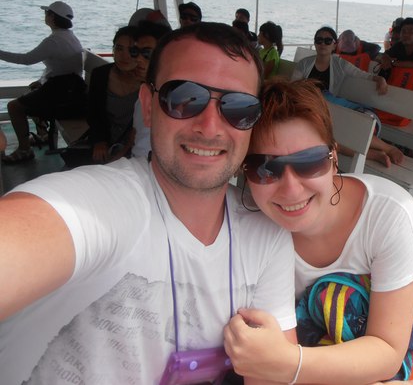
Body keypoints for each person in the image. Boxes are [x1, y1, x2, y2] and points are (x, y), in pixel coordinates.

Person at [0, 22, 296, 384]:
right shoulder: (102, 205)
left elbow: (271, 375)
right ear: (148, 105)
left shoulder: (266, 236)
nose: (210, 126)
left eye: (238, 107)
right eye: (184, 98)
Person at [224, 79, 413, 384]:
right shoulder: (245, 229)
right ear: (245, 173)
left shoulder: (388, 214)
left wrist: (287, 362)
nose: (291, 189)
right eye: (266, 168)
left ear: (333, 159)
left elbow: (387, 350)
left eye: (309, 162)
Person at [292, 26, 404, 167]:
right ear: (314, 43)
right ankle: (374, 155)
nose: (322, 44)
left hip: (331, 109)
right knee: (325, 139)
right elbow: (293, 87)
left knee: (332, 132)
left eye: (327, 41)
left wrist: (379, 79)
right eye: (319, 40)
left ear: (334, 45)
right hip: (314, 110)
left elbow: (361, 74)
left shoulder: (339, 63)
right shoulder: (304, 64)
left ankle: (388, 148)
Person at [0, 1, 85, 163]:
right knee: (32, 91)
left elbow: (25, 59)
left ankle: (25, 150)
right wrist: (41, 80)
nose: (45, 15)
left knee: (14, 107)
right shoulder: (70, 36)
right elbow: (60, 68)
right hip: (71, 90)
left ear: (52, 17)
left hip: (62, 94)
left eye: (47, 13)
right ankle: (44, 135)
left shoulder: (53, 41)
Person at [86, 26, 140, 164]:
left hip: (135, 144)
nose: (124, 56)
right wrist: (100, 141)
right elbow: (94, 113)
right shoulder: (101, 75)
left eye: (132, 51)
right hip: (107, 140)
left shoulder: (148, 80)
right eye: (119, 48)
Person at [130, 21, 172, 158]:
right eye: (134, 52)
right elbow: (136, 135)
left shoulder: (171, 99)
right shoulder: (146, 93)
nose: (138, 59)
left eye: (147, 53)